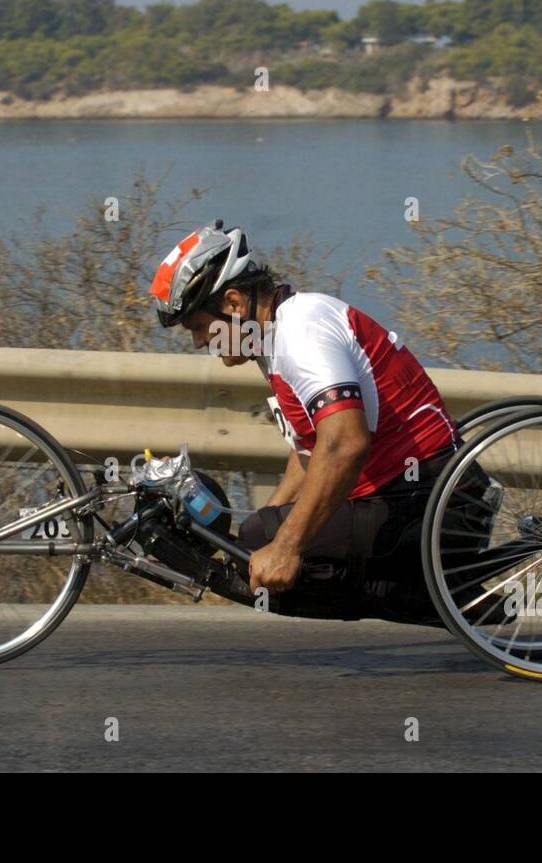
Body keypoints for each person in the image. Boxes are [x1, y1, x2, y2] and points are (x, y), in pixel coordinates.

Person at [150, 220, 493, 622]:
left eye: (197, 327)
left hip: (432, 501)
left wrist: (286, 546)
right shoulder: (272, 339)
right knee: (256, 538)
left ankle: (440, 600)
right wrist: (264, 528)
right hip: (401, 492)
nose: (198, 342)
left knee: (275, 547)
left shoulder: (302, 332)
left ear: (232, 303)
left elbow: (345, 444)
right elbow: (311, 451)